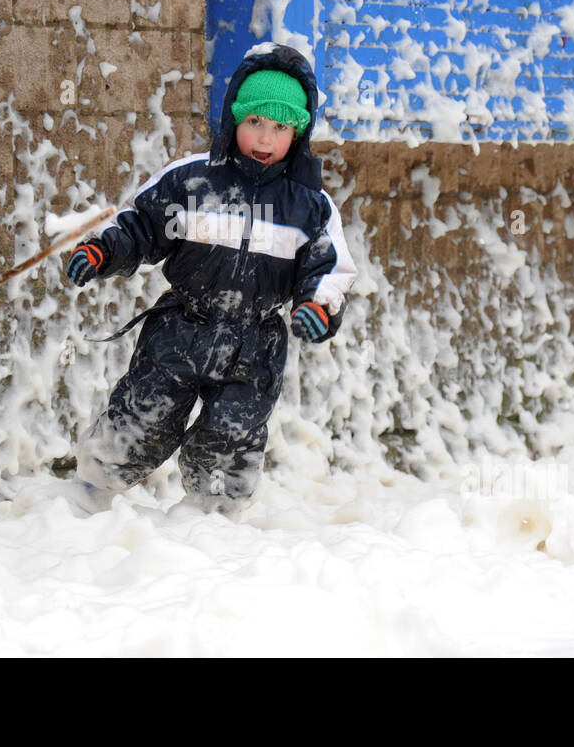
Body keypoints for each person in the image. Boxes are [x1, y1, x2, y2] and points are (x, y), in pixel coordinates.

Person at [65, 42, 357, 518]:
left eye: (280, 126)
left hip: (255, 343)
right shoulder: (193, 180)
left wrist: (318, 307)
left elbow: (328, 269)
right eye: (255, 122)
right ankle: (86, 500)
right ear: (235, 120)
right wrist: (103, 250)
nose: (265, 137)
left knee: (231, 440)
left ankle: (212, 523)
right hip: (180, 327)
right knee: (141, 417)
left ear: (298, 133)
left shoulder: (310, 205)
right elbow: (140, 226)